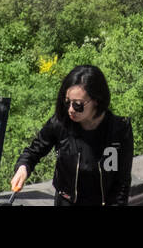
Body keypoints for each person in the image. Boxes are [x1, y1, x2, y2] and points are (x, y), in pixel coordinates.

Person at [11, 65, 134, 206]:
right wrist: (23, 168)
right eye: (67, 102)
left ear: (96, 100)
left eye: (77, 105)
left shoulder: (119, 130)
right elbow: (33, 151)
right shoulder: (60, 123)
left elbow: (122, 182)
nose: (70, 110)